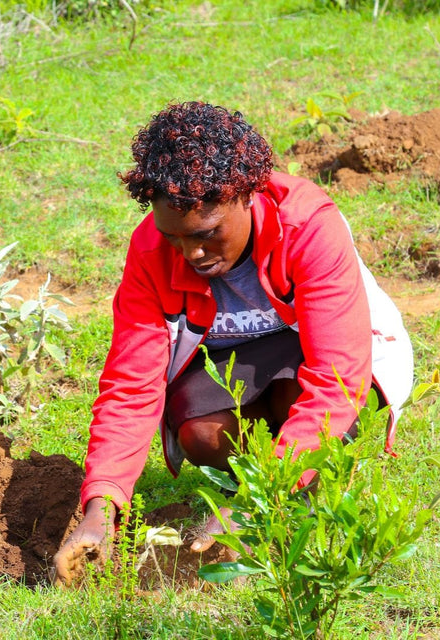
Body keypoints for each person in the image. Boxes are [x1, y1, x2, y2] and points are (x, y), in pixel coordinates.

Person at [52, 101, 414, 586]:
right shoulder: (151, 251)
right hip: (236, 364)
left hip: (319, 354)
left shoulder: (307, 225)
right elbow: (130, 385)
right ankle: (271, 479)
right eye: (175, 238)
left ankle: (290, 488)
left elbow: (336, 377)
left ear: (247, 195)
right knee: (200, 434)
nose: (192, 253)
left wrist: (251, 504)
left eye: (206, 234)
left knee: (298, 399)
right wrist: (100, 508)